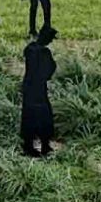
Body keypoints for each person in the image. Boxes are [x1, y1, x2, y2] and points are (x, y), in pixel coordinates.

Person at [20, 25, 58, 157]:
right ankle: (44, 144)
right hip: (39, 88)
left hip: (29, 87)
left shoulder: (30, 49)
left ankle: (29, 144)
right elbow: (51, 68)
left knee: (29, 115)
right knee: (43, 115)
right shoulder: (43, 52)